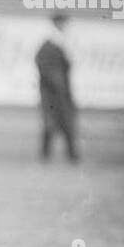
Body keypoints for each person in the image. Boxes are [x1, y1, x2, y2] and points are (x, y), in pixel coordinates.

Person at [35, 13, 79, 162]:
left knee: (68, 125)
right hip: (51, 95)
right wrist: (57, 84)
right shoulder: (48, 45)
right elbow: (46, 70)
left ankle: (72, 157)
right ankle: (45, 156)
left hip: (62, 93)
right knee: (50, 125)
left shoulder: (62, 43)